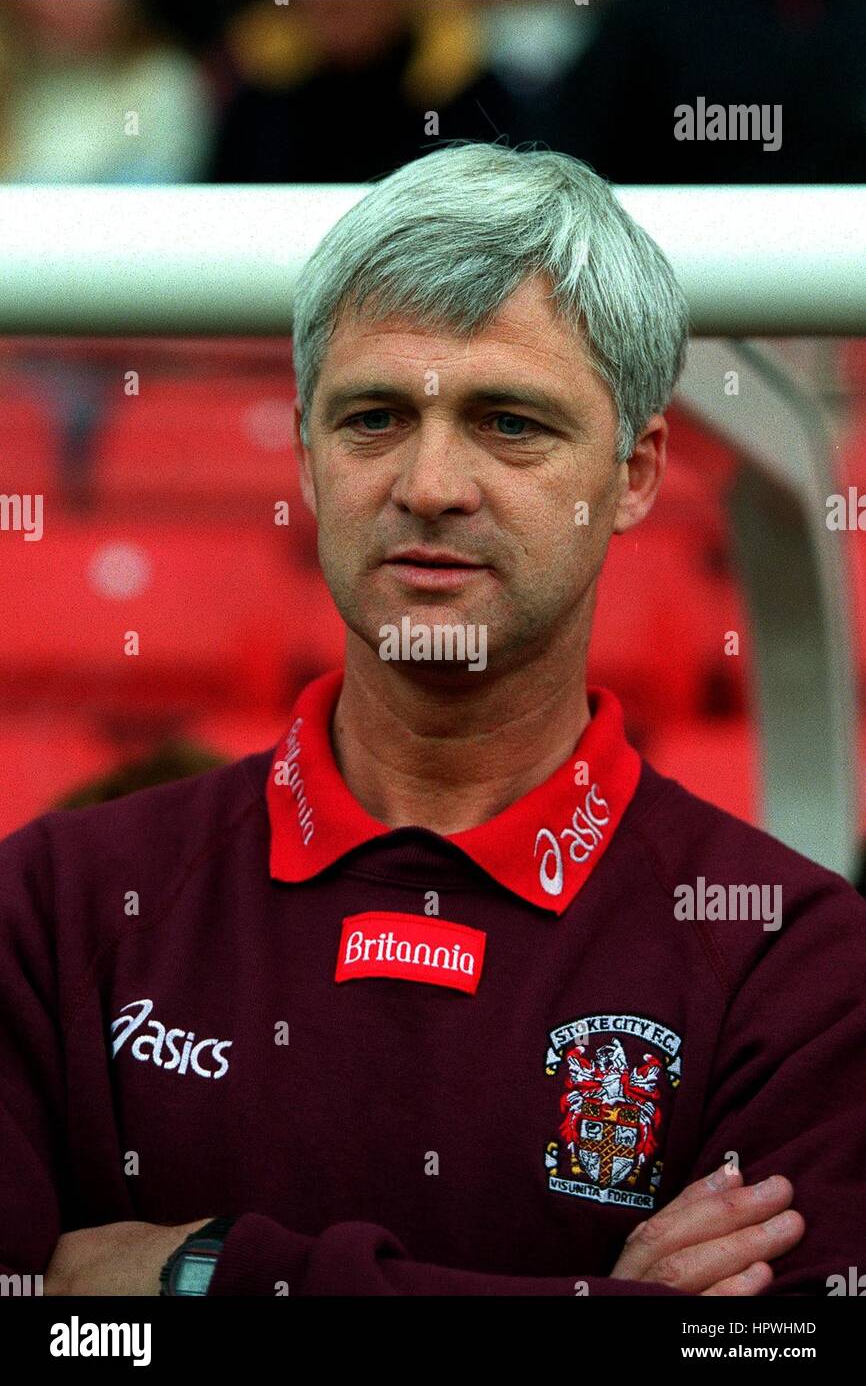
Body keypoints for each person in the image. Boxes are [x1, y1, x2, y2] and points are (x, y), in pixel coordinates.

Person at [2, 141, 865, 1297]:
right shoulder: (54, 906)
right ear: (306, 457)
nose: (429, 484)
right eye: (370, 419)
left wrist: (207, 1276)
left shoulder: (794, 961)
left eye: (508, 422)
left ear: (637, 470)